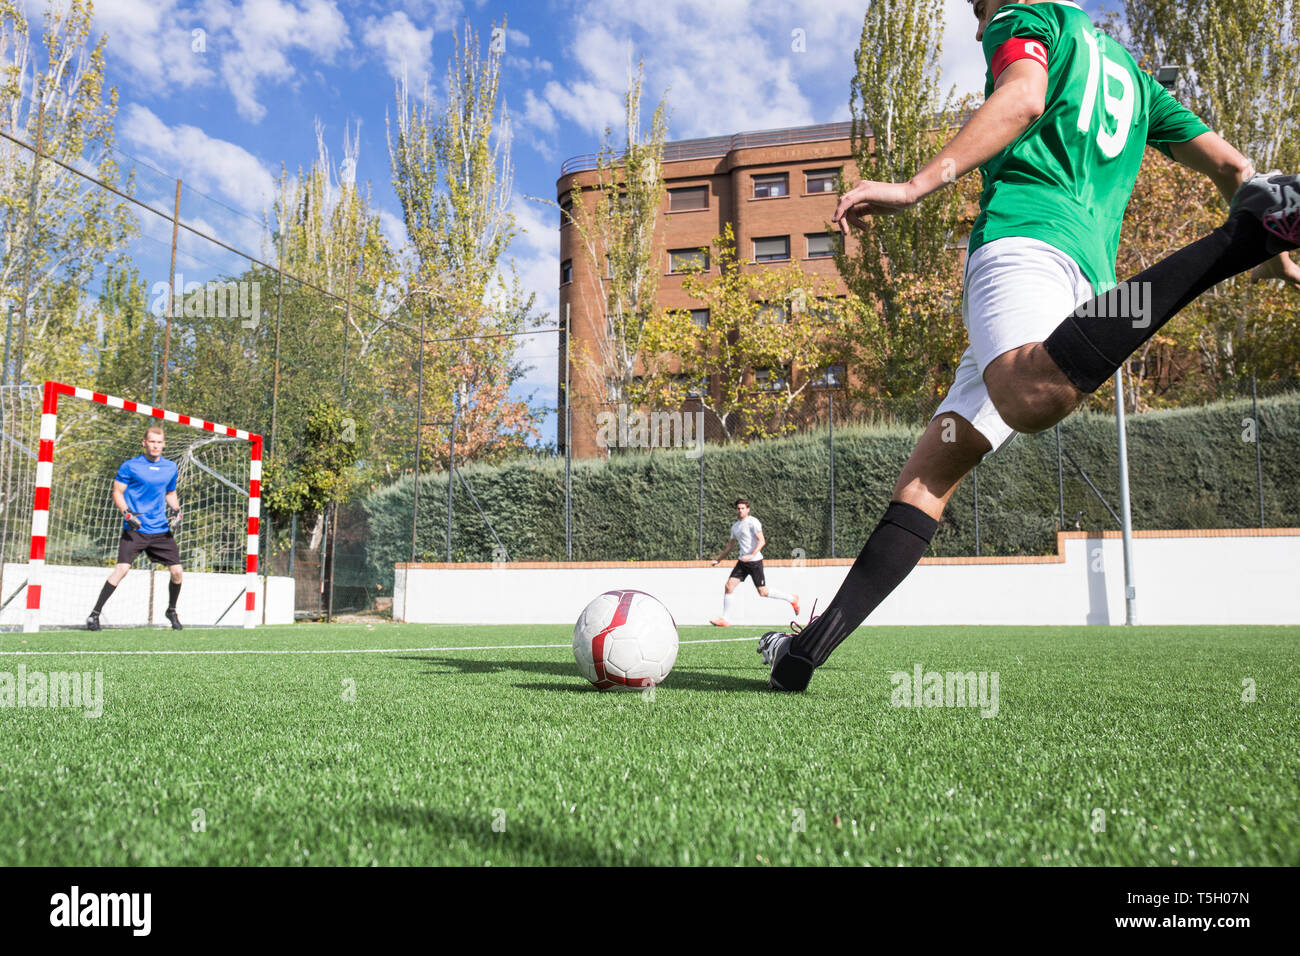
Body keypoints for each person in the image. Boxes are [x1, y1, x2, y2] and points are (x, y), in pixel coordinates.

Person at [759, 0, 1300, 691]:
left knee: (1027, 393)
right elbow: (1230, 164)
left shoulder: (1031, 18)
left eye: (978, 9)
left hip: (1024, 246)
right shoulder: (1132, 74)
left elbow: (1021, 97)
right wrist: (1279, 248)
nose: (979, 25)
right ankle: (808, 648)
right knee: (929, 475)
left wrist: (915, 185)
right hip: (1085, 295)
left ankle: (1236, 244)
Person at [86, 425, 185, 631]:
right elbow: (117, 492)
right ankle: (94, 615)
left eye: (159, 442)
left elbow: (170, 492)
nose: (155, 446)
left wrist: (176, 509)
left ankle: (171, 610)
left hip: (160, 529)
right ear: (144, 443)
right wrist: (127, 514)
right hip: (136, 528)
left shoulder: (170, 467)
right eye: (152, 442)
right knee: (121, 569)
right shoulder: (130, 466)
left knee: (177, 572)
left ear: (163, 444)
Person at [709, 498, 799, 626]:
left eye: (743, 508)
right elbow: (730, 546)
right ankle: (725, 619)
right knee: (729, 586)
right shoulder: (735, 526)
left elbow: (761, 541)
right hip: (742, 562)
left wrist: (751, 555)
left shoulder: (753, 522)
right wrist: (718, 560)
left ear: (748, 509)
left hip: (755, 561)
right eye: (738, 508)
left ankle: (792, 599)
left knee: (763, 591)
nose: (740, 510)